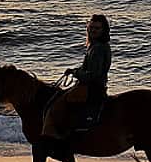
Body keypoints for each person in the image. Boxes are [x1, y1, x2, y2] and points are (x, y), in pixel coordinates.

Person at [42, 14, 112, 142]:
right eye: (91, 27)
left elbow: (93, 74)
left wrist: (76, 73)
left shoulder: (98, 48)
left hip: (92, 87)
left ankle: (63, 135)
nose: (93, 30)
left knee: (61, 103)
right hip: (92, 85)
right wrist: (75, 71)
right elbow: (88, 69)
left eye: (97, 28)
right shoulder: (94, 46)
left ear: (103, 30)